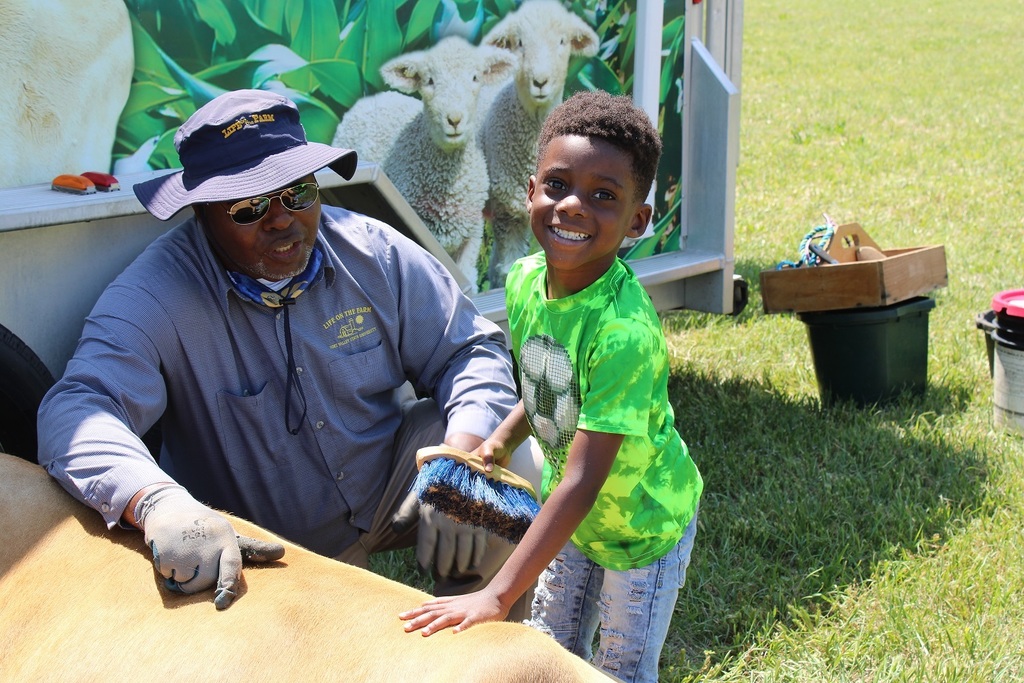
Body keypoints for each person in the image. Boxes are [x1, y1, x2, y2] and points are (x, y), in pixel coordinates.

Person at [36, 89, 538, 615]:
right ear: (202, 212)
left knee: (511, 454)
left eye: (297, 193)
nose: (281, 219)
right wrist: (158, 502)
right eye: (250, 205)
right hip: (264, 544)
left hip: (389, 489)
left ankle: (472, 639)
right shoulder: (155, 295)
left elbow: (469, 350)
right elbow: (78, 407)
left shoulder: (372, 252)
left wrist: (459, 463)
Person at [398, 90, 704, 683]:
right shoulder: (525, 281)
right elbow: (545, 387)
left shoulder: (623, 333)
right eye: (558, 185)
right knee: (550, 648)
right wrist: (496, 444)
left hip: (642, 528)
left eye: (603, 196)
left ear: (638, 221)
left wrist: (496, 593)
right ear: (530, 192)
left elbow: (584, 480)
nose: (572, 207)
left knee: (618, 669)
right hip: (575, 518)